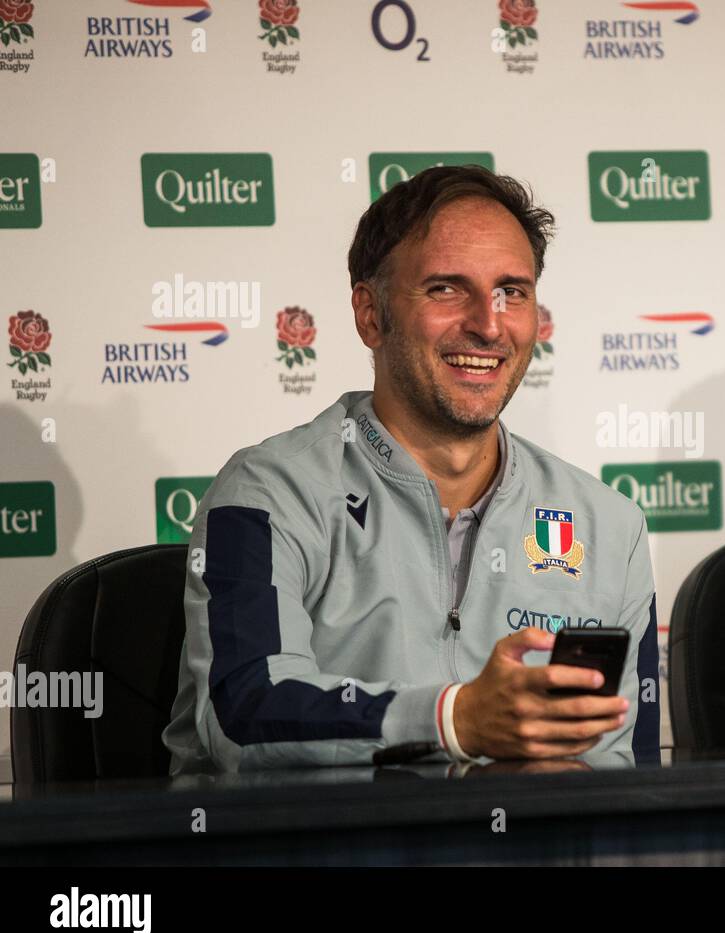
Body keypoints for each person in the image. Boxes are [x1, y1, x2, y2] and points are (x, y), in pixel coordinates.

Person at [164, 166, 658, 773]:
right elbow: (242, 714)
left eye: (513, 291)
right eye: (446, 289)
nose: (489, 322)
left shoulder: (608, 524)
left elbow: (628, 775)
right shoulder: (267, 494)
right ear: (370, 315)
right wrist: (456, 719)